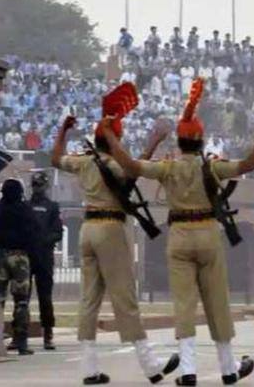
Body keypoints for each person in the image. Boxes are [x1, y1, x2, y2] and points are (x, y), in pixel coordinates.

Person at [101, 78, 254, 386]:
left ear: (179, 144)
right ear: (202, 142)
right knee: (217, 301)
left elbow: (131, 165)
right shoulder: (212, 167)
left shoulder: (168, 168)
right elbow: (249, 163)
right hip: (208, 232)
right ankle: (229, 369)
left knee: (184, 305)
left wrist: (112, 137)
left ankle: (188, 371)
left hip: (178, 234)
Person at [52, 83, 179, 385]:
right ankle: (150, 365)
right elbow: (134, 169)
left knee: (89, 300)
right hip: (111, 227)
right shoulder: (112, 163)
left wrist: (63, 130)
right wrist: (153, 141)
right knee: (125, 296)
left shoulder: (84, 161)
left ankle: (88, 368)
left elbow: (56, 159)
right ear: (115, 138)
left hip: (87, 228)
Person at [0, 179, 41, 356]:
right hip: (20, 257)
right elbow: (34, 233)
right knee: (21, 301)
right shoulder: (25, 209)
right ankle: (20, 340)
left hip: (0, 256)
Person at [28, 171, 63, 350]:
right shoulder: (25, 206)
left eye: (40, 185)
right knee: (22, 297)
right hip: (27, 255)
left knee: (45, 297)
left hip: (44, 256)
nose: (37, 189)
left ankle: (48, 333)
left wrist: (44, 240)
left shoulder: (52, 207)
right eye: (35, 185)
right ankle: (20, 335)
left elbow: (58, 232)